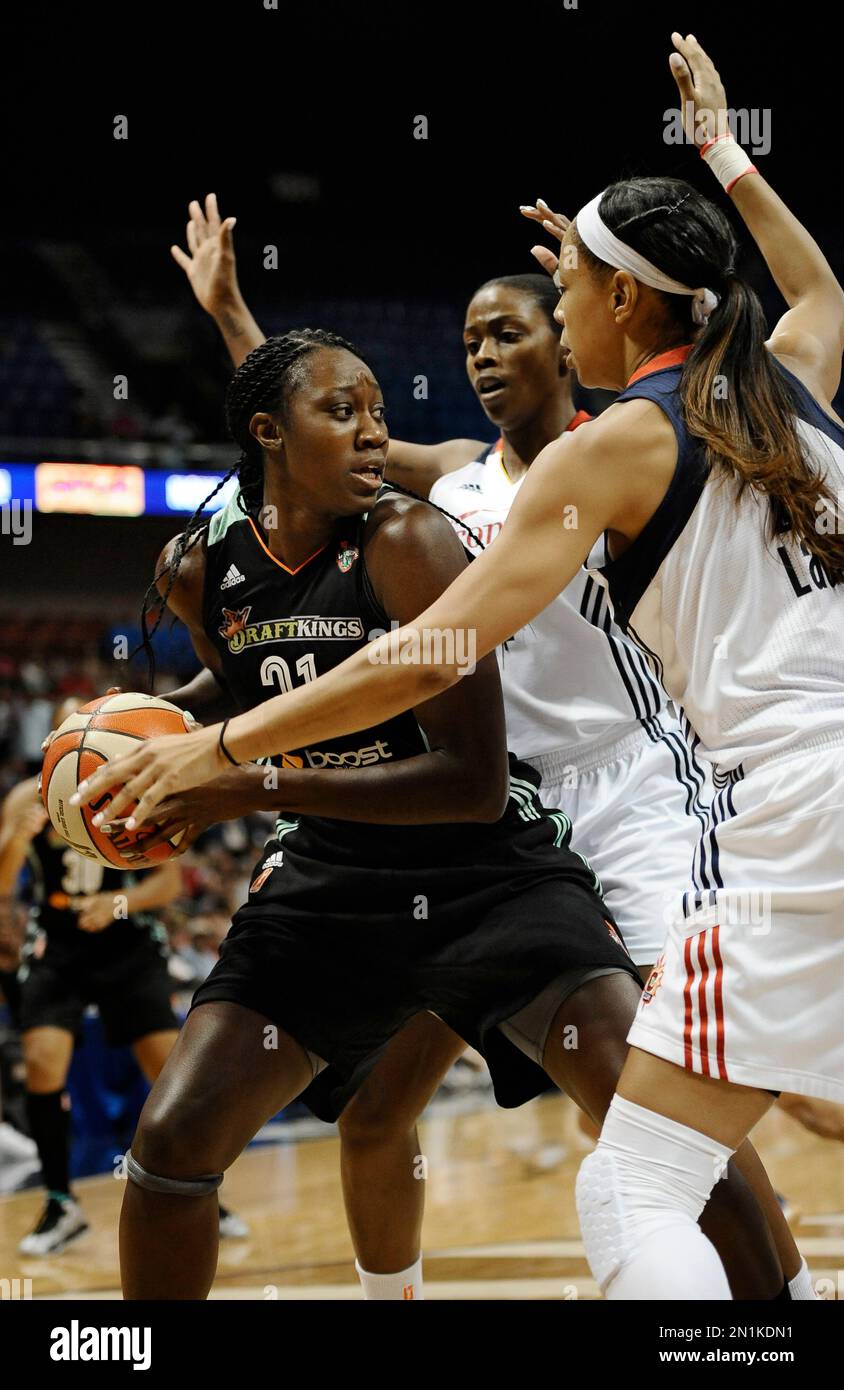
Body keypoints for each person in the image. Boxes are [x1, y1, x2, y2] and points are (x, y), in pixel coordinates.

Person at [79, 34, 844, 1301]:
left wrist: (220, 752)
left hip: (719, 801)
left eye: (561, 293)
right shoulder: (782, 393)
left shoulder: (607, 452)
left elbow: (428, 650)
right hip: (616, 799)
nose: (532, 322)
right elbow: (818, 295)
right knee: (666, 1122)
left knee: (644, 1174)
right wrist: (720, 153)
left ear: (615, 305)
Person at [0, 698, 247, 1252]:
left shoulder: (141, 786)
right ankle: (60, 1203)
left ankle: (199, 1193)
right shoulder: (25, 796)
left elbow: (166, 887)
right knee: (42, 1064)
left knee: (167, 1072)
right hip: (58, 944)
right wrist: (15, 837)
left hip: (128, 944)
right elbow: (1, 882)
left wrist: (117, 904)